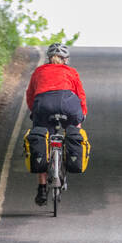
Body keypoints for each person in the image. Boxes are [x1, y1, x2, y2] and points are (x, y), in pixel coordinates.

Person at [24, 43, 87, 206]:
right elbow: (80, 95)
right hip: (68, 105)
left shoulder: (39, 71)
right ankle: (70, 155)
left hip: (43, 105)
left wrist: (34, 112)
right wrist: (81, 116)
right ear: (66, 59)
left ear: (48, 58)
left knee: (42, 140)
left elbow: (30, 94)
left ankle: (42, 188)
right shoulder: (72, 72)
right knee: (74, 130)